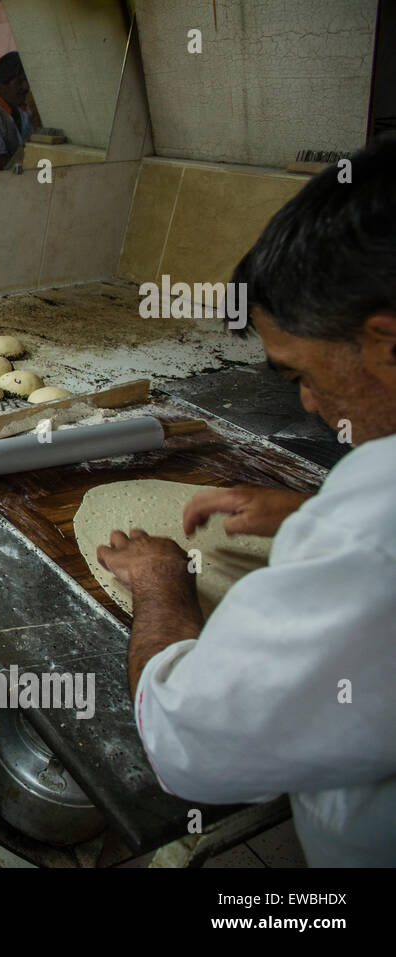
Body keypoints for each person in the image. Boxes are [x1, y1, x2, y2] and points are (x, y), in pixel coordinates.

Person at [96, 136, 396, 866]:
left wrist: (163, 586)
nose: (308, 402)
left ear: (388, 340)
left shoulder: (374, 530)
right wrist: (310, 514)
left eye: (302, 370)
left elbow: (188, 740)